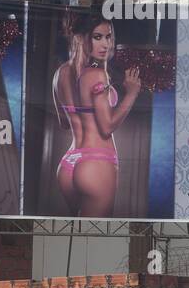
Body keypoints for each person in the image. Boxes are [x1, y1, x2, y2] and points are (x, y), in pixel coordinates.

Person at [52, 14, 143, 217]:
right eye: (97, 37)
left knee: (76, 230)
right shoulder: (96, 74)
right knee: (93, 234)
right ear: (81, 38)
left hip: (68, 163)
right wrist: (132, 93)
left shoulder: (60, 73)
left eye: (108, 37)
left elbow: (64, 123)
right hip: (96, 162)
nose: (106, 44)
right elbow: (107, 126)